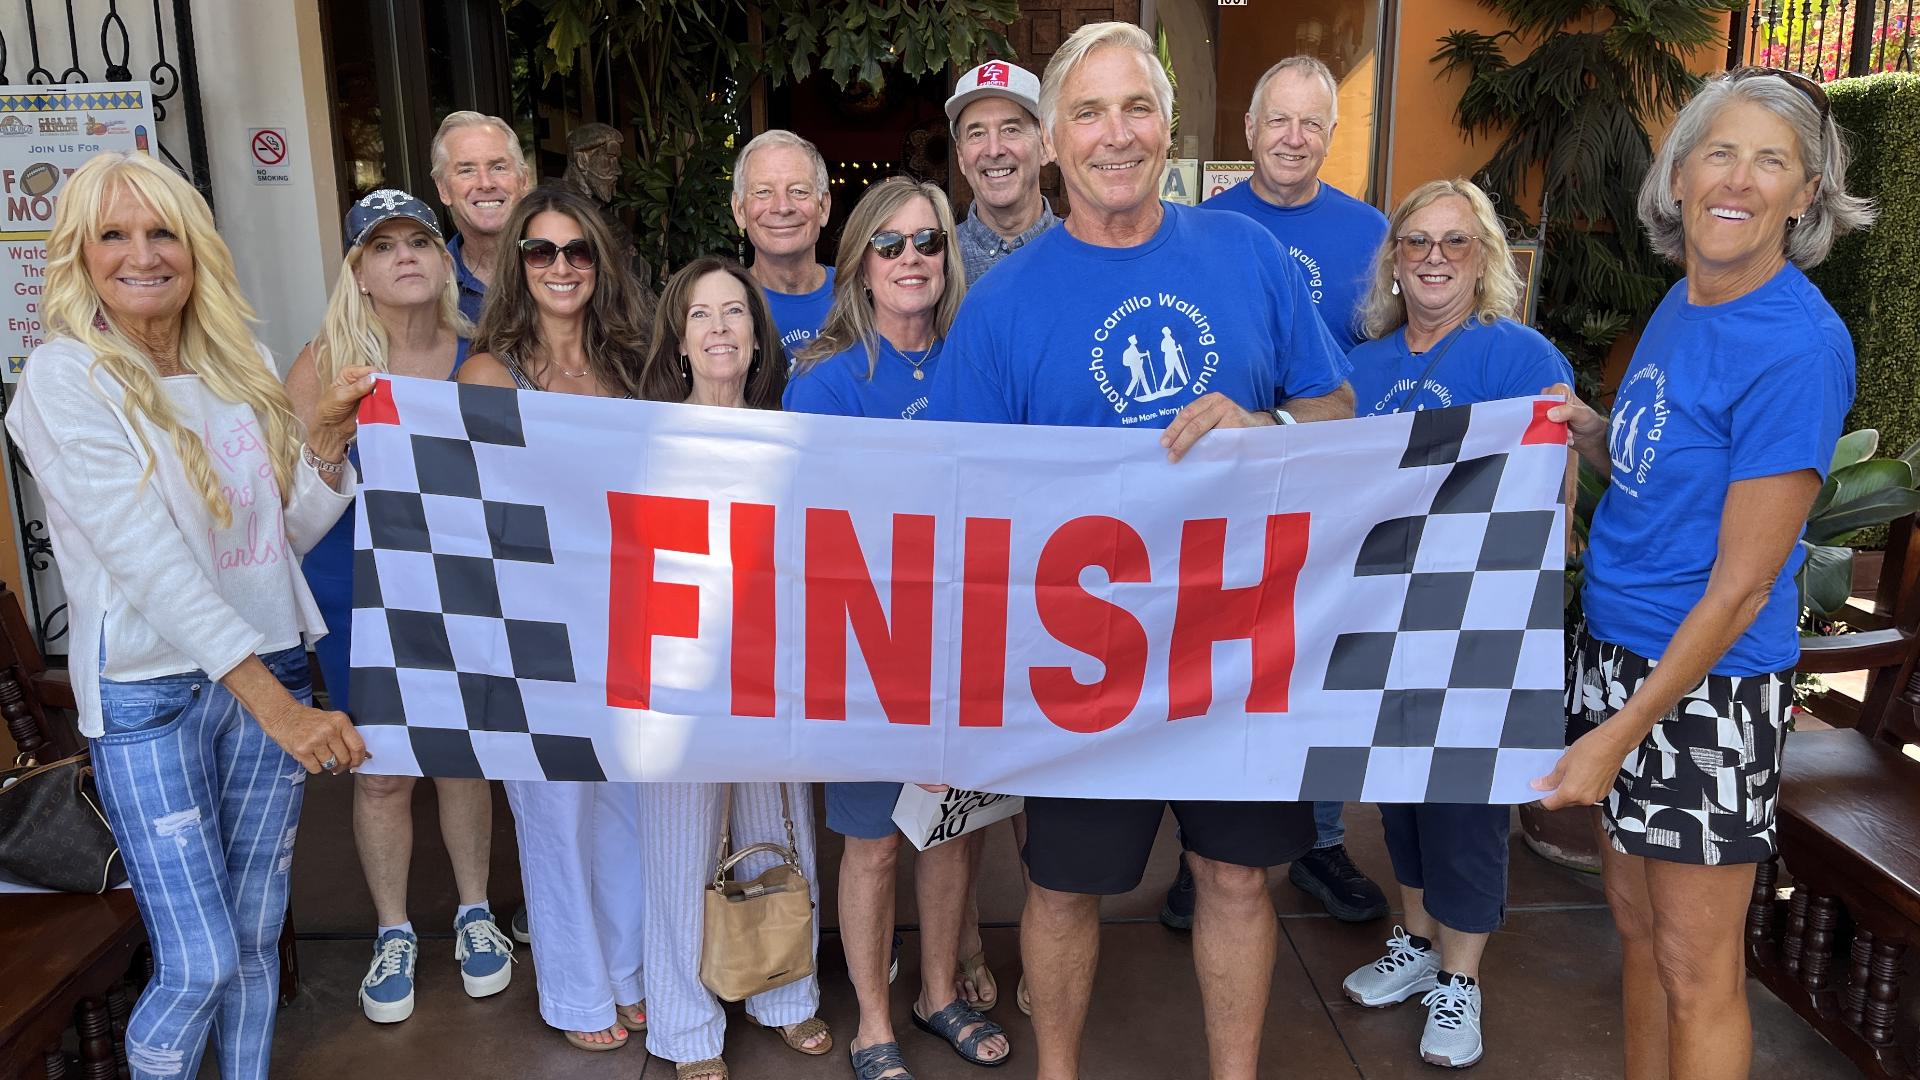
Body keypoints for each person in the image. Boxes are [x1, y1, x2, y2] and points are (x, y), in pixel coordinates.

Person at [926, 23, 1351, 1080]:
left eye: (1137, 108)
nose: (1117, 135)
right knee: (1064, 889)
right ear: (1052, 145)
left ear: (1169, 126)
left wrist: (1274, 433)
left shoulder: (1248, 255)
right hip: (1082, 656)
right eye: (1089, 112)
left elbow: (1339, 410)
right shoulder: (1004, 304)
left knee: (1239, 880)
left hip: (1235, 643)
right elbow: (959, 496)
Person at [5, 151, 373, 1080]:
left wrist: (325, 439)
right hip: (153, 693)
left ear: (194, 246)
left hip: (268, 673)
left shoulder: (234, 363)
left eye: (162, 230)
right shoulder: (64, 378)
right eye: (114, 235)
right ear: (79, 255)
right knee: (200, 957)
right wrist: (277, 707)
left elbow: (271, 537)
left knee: (252, 941)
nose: (143, 254)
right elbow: (151, 564)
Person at [1536, 68, 1872, 1080]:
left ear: (1807, 194)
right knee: (1637, 934)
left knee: (1697, 965)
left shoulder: (1797, 345)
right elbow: (1663, 478)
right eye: (1719, 152)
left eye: (1773, 161)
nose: (1739, 179)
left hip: (1705, 690)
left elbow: (1739, 587)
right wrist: (1596, 435)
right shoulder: (1689, 297)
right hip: (1623, 651)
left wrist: (1615, 737)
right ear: (1679, 176)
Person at [1333, 178, 1572, 1069]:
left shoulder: (1519, 358)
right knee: (1400, 797)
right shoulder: (1364, 366)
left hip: (1478, 625)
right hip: (1381, 621)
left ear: (1486, 261)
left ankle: (1461, 980)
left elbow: (1550, 490)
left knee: (1465, 806)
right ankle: (1417, 942)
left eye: (1455, 242)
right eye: (1417, 242)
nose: (1434, 257)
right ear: (1394, 260)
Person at [786, 176, 1011, 1080]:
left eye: (928, 243)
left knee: (950, 827)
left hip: (969, 639)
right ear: (861, 264)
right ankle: (873, 1017)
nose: (912, 259)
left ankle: (937, 991)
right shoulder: (828, 382)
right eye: (891, 244)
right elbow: (816, 534)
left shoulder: (977, 361)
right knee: (873, 838)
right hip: (868, 645)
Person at [284, 188, 512, 1024]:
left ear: (444, 256)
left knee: (459, 756)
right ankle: (392, 928)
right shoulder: (323, 363)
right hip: (359, 584)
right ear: (360, 270)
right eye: (383, 247)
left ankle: (476, 911)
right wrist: (335, 428)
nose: (405, 256)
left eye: (419, 239)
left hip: (460, 581)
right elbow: (293, 502)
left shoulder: (481, 354)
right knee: (381, 768)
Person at [1182, 55, 1392, 929]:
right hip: (1223, 499)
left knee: (1323, 668)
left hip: (1330, 485)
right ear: (1249, 131)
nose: (1295, 139)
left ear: (1333, 137)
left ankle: (1322, 838)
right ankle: (1207, 852)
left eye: (1313, 124)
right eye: (1279, 121)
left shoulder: (1374, 230)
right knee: (1222, 669)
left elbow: (1388, 346)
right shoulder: (1202, 227)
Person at [459, 185, 653, 1053]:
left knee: (627, 803)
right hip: (532, 622)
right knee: (553, 811)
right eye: (542, 252)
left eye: (577, 251)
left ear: (599, 263)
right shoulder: (489, 372)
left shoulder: (633, 362)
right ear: (519, 265)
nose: (562, 267)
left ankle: (632, 974)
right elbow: (478, 507)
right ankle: (577, 994)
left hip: (629, 615)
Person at [629, 257, 831, 1080]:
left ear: (757, 337)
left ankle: (785, 991)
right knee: (678, 845)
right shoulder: (640, 433)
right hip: (674, 668)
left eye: (734, 314)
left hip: (766, 663)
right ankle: (685, 1029)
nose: (718, 329)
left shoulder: (791, 432)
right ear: (679, 341)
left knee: (779, 824)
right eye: (701, 315)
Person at [948, 59, 1059, 286]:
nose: (994, 149)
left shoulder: (1085, 252)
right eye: (977, 133)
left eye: (1010, 130)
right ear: (961, 156)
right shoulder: (938, 261)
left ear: (1046, 146)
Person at [731, 129, 835, 365]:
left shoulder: (862, 299)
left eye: (798, 191)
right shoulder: (720, 309)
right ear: (739, 210)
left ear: (823, 207)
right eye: (763, 192)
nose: (782, 206)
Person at [432, 111, 531, 323]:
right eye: (467, 170)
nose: (486, 183)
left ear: (524, 180)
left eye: (498, 167)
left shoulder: (567, 266)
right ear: (443, 189)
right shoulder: (428, 283)